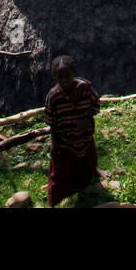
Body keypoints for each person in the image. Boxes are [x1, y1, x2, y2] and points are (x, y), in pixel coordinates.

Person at [44, 55, 102, 207]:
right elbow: (51, 122)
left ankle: (91, 176)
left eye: (67, 76)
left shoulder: (85, 88)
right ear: (55, 77)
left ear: (74, 73)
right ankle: (55, 200)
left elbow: (96, 105)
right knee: (60, 171)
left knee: (88, 159)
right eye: (60, 77)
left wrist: (87, 117)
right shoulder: (53, 97)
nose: (64, 80)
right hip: (65, 139)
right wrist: (54, 141)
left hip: (84, 135)